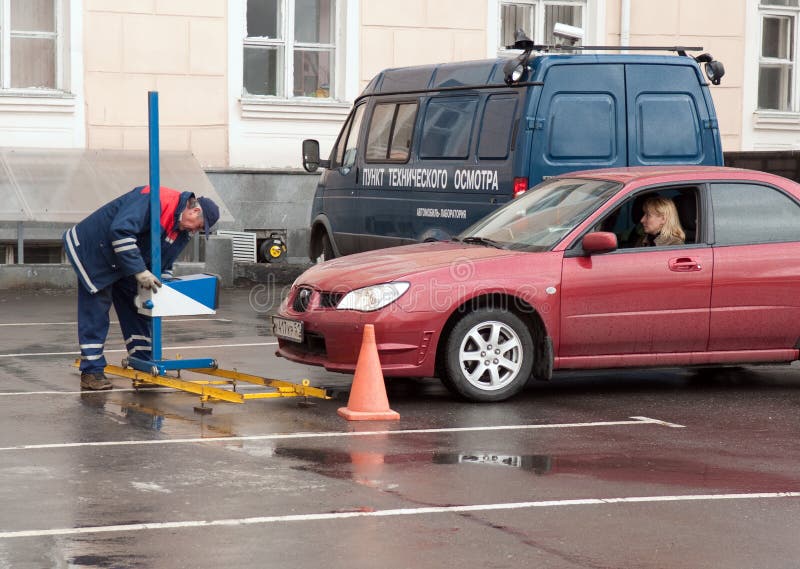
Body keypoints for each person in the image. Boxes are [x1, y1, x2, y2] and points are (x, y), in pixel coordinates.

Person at [63, 186, 220, 390]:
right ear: (195, 211)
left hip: (123, 260)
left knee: (139, 305)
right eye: (198, 226)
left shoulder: (182, 228)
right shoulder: (155, 199)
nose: (194, 231)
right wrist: (140, 271)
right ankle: (91, 371)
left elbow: (166, 260)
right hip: (93, 250)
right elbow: (120, 232)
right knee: (96, 309)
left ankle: (143, 361)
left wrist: (162, 287)